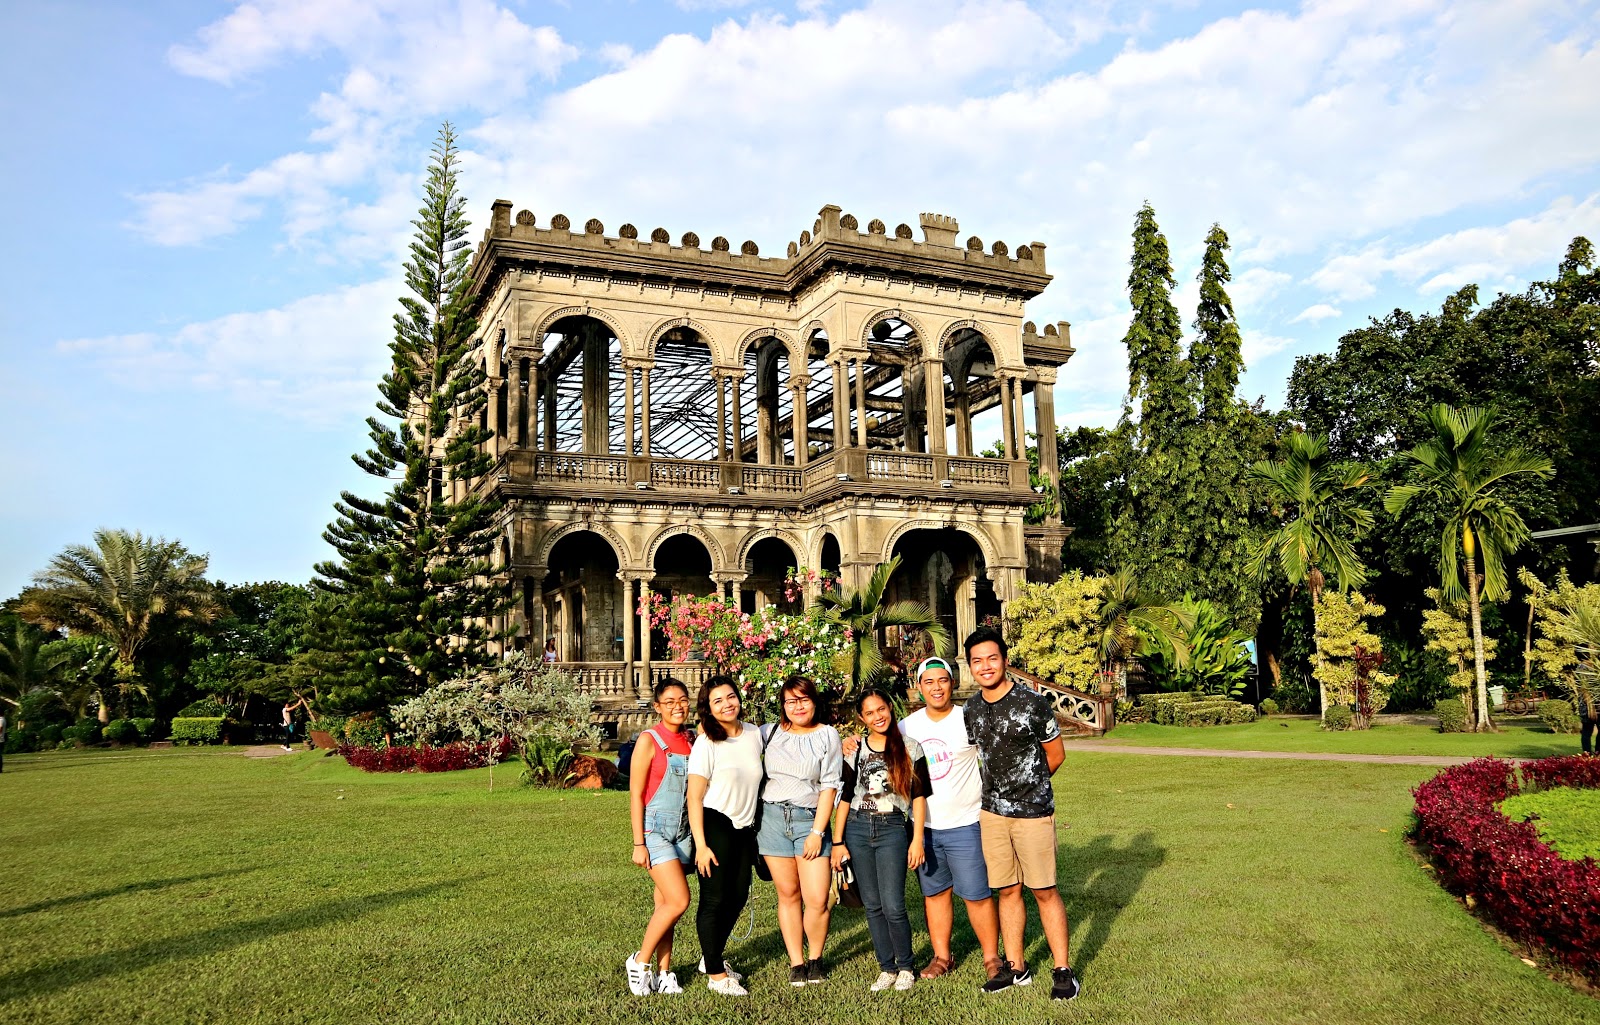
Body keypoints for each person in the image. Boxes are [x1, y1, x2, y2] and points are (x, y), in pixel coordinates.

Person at [962, 625, 1080, 1000]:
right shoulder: (971, 708)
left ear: (1005, 661)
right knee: (1007, 890)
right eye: (977, 661)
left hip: (1032, 813)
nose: (985, 666)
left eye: (992, 658)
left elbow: (1056, 754)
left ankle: (1063, 970)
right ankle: (1016, 966)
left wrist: (1030, 791)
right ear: (970, 667)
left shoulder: (1032, 703)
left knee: (1044, 889)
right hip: (992, 815)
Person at [900, 656, 1003, 983]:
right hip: (925, 829)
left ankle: (992, 957)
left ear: (952, 683)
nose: (936, 687)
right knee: (935, 894)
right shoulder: (907, 726)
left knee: (976, 894)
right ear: (919, 688)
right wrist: (849, 742)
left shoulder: (967, 718)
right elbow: (877, 748)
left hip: (966, 823)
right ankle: (942, 956)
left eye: (942, 680)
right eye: (928, 682)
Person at [831, 688, 931, 992]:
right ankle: (886, 967)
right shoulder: (855, 749)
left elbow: (918, 798)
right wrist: (838, 842)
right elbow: (845, 797)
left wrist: (917, 840)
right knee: (872, 905)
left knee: (893, 905)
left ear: (890, 708)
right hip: (858, 829)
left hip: (892, 830)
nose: (878, 716)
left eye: (882, 709)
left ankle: (905, 966)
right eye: (870, 712)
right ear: (862, 718)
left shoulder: (911, 748)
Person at [757, 675, 842, 987]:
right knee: (789, 894)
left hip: (810, 819)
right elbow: (733, 738)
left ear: (814, 701)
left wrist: (818, 832)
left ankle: (816, 957)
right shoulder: (769, 733)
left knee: (817, 898)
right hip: (773, 819)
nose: (797, 706)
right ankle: (796, 961)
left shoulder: (827, 736)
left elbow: (830, 785)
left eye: (803, 699)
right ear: (783, 705)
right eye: (790, 701)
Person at [686, 676, 764, 996]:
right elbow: (694, 796)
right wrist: (701, 846)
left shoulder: (754, 733)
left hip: (745, 828)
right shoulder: (706, 742)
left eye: (730, 697)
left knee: (739, 896)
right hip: (715, 823)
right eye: (718, 701)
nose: (727, 704)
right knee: (715, 899)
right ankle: (716, 975)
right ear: (709, 708)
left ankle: (710, 956)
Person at [625, 679, 696, 996]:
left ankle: (665, 973)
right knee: (680, 900)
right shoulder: (649, 740)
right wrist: (638, 842)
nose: (677, 706)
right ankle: (640, 962)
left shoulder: (691, 740)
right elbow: (636, 793)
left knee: (666, 904)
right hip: (654, 831)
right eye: (669, 701)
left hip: (683, 831)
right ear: (657, 706)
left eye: (682, 700)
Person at [1581, 689, 1597, 755]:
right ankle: (1597, 751)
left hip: (1586, 716)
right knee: (1586, 734)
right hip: (1591, 715)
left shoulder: (1582, 695)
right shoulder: (1596, 692)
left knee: (1586, 734)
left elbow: (1581, 708)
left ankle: (1587, 752)